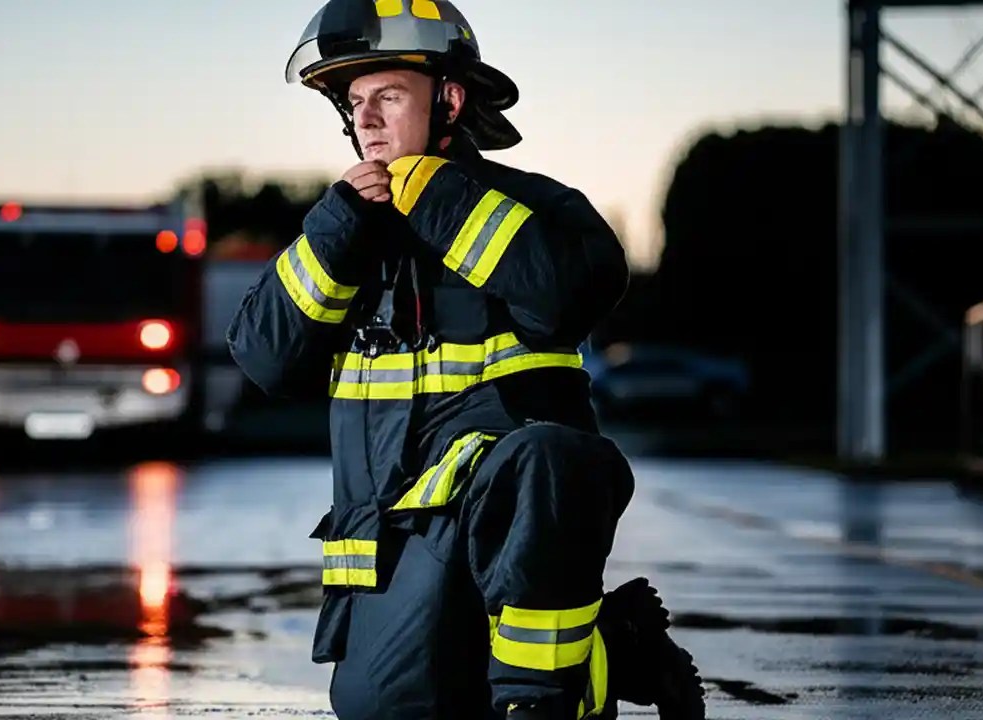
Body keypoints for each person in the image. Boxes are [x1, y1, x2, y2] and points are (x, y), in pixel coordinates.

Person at [227, 2, 706, 718]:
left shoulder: (536, 205)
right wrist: (334, 233)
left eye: (388, 96)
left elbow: (573, 291)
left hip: (514, 511)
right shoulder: (344, 234)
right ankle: (617, 642)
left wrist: (439, 199)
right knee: (389, 706)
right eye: (355, 103)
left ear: (448, 99)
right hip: (399, 546)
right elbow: (265, 360)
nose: (368, 120)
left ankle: (541, 702)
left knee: (552, 457)